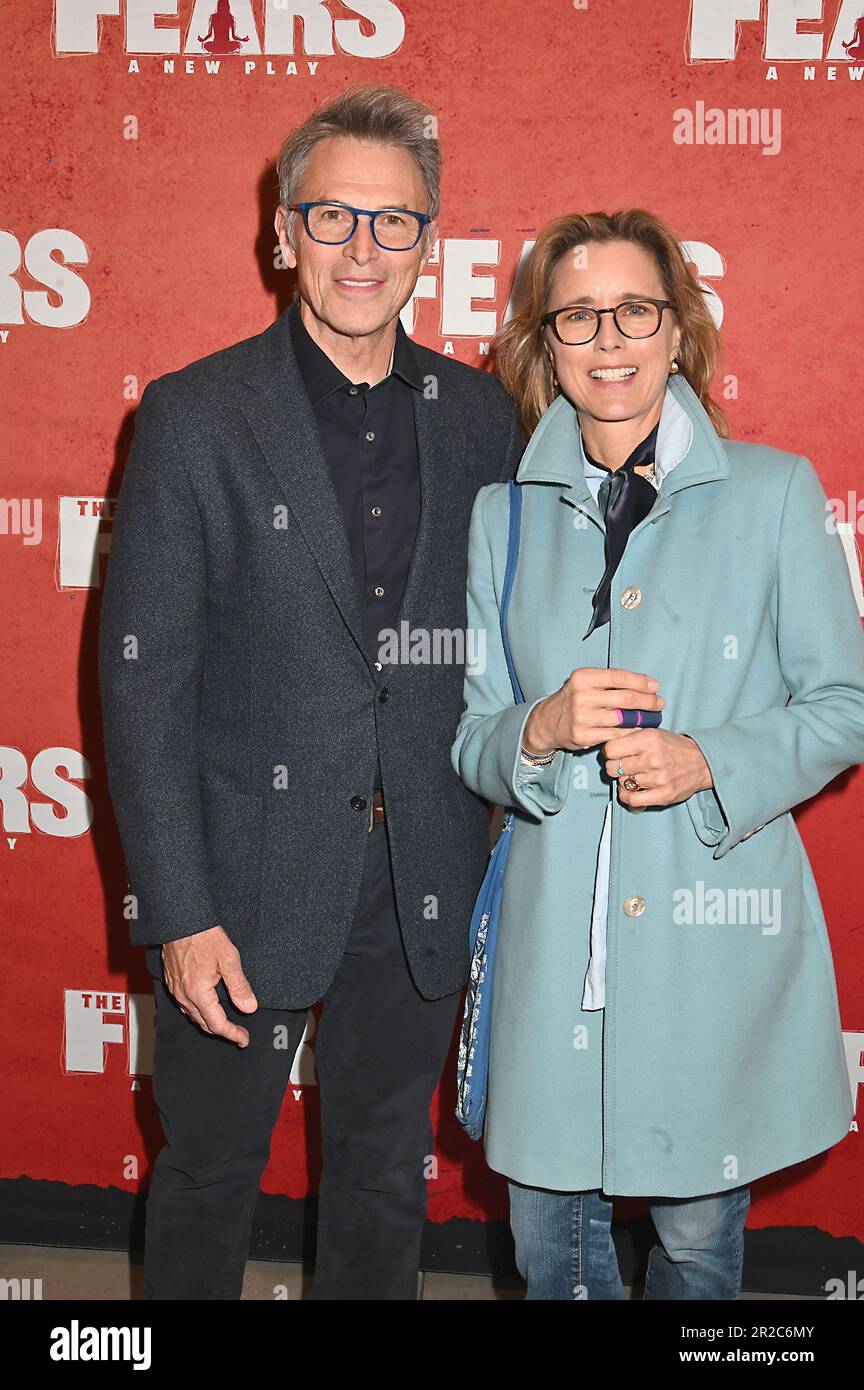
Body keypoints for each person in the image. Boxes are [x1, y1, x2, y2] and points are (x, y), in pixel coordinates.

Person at [98, 83, 523, 1301]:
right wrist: (178, 910)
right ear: (282, 233)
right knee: (208, 1176)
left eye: (393, 224)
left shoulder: (479, 416)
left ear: (428, 244)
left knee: (386, 1175)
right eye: (331, 218)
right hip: (238, 877)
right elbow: (143, 682)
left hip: (421, 868)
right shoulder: (195, 415)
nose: (361, 250)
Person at [450, 209, 863, 1300]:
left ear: (678, 331)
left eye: (635, 309)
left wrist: (711, 759)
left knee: (694, 1252)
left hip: (705, 953)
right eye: (577, 316)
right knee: (552, 1262)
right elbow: (475, 738)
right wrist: (534, 729)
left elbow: (845, 703)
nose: (609, 337)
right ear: (545, 345)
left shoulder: (774, 492)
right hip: (555, 962)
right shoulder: (505, 517)